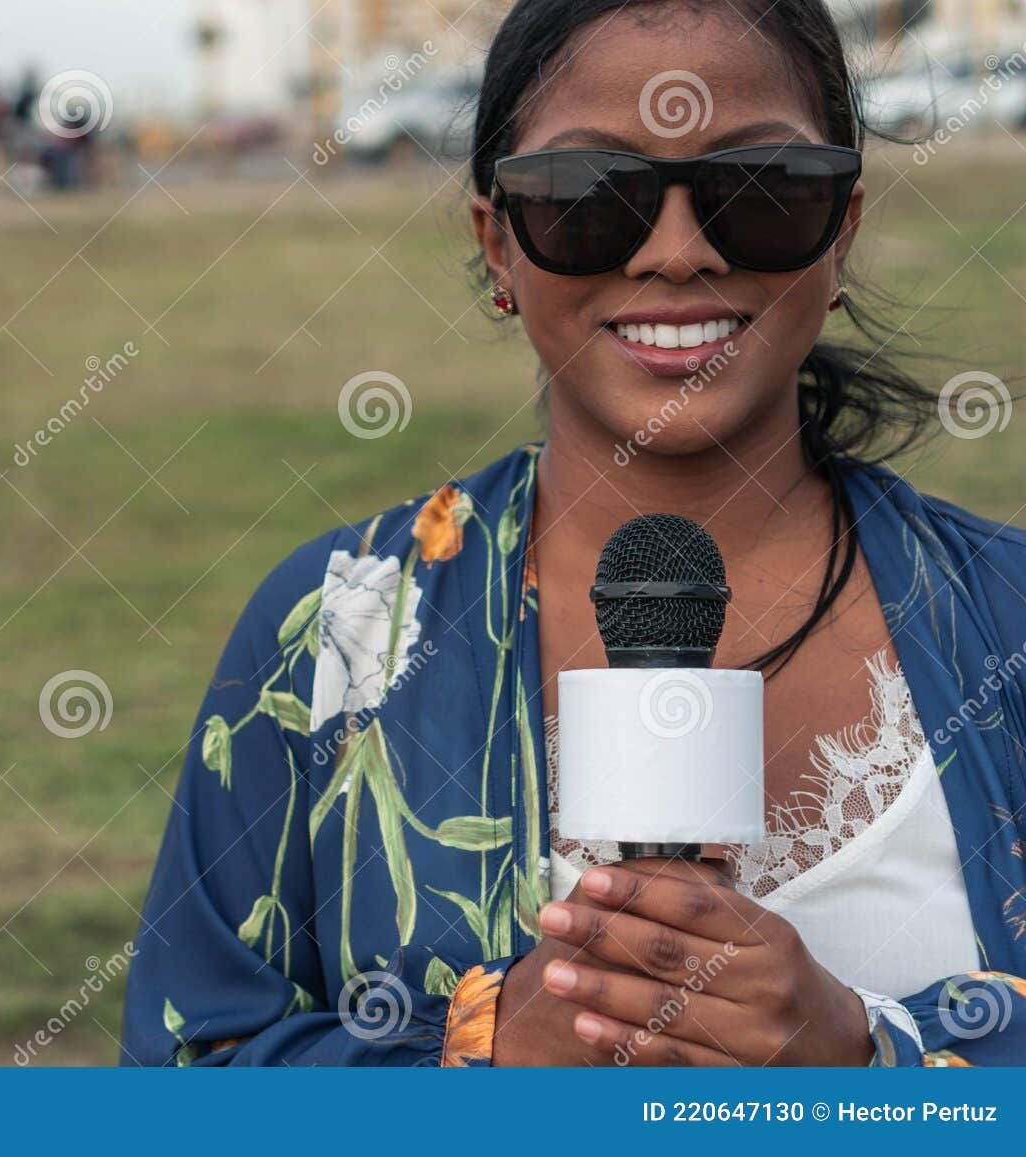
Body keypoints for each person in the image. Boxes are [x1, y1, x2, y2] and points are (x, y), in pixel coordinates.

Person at [120, 0, 1026, 1067]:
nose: (676, 253)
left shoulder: (1003, 620)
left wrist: (875, 1058)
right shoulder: (332, 639)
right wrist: (485, 1063)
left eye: (759, 191)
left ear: (843, 229)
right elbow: (186, 1061)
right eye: (592, 198)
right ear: (497, 240)